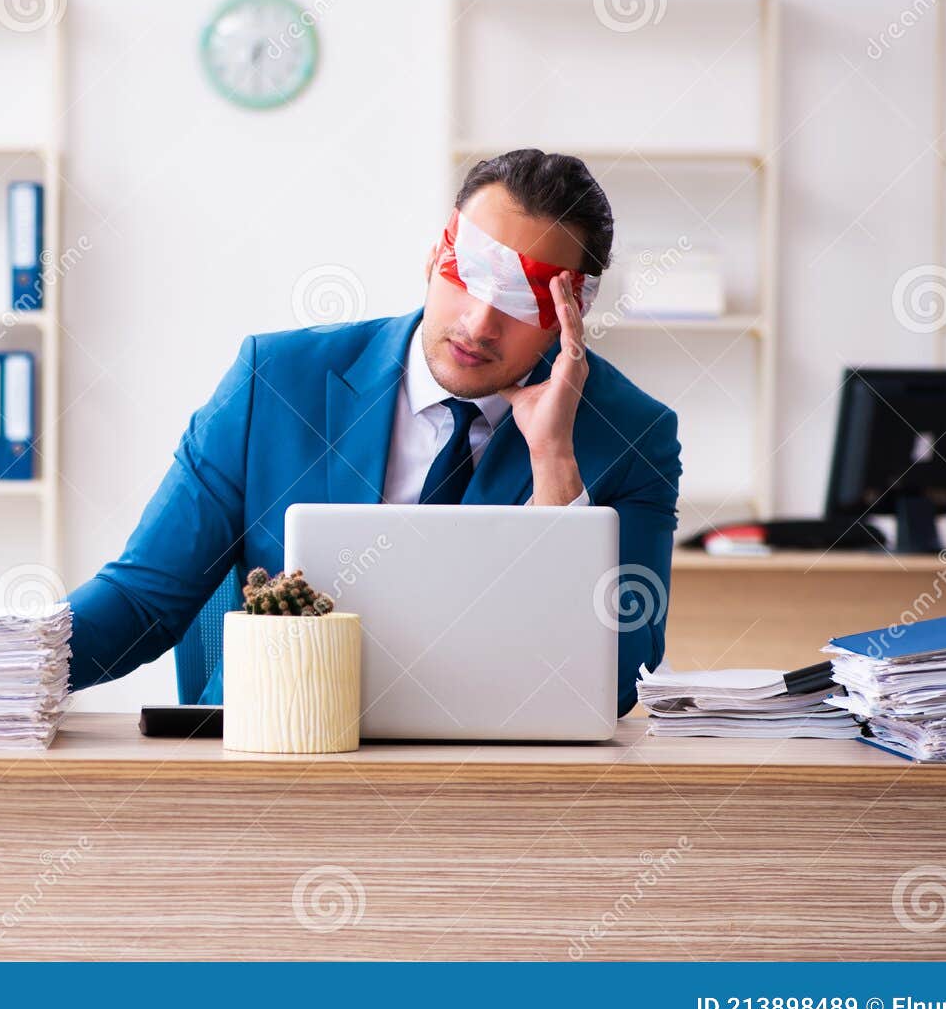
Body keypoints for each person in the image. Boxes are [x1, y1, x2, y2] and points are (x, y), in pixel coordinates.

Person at [66, 149, 682, 717]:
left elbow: (618, 677)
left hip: (492, 786)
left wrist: (553, 461)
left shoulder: (632, 435)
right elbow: (142, 601)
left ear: (572, 315)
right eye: (468, 271)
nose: (479, 322)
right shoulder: (274, 383)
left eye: (524, 300)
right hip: (278, 761)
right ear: (435, 253)